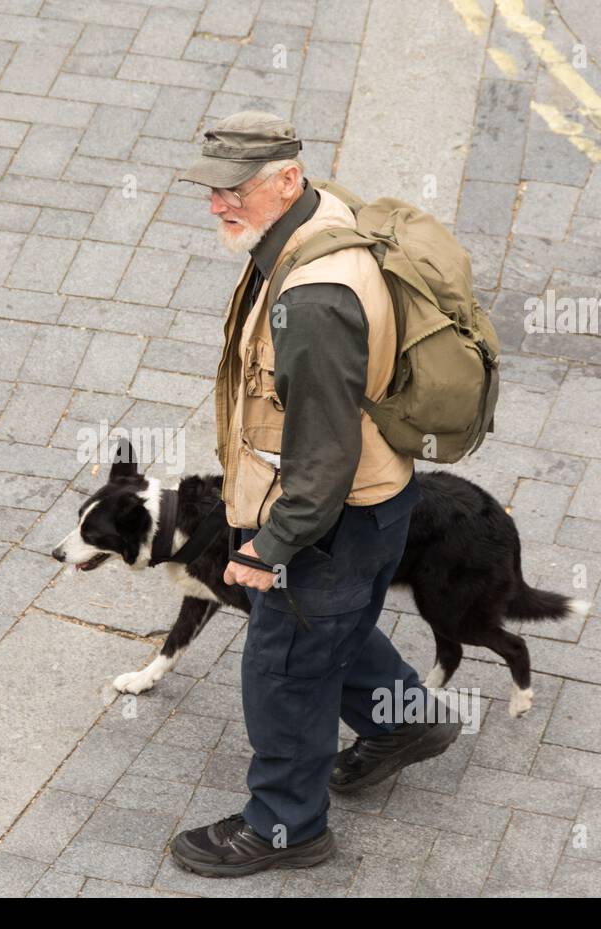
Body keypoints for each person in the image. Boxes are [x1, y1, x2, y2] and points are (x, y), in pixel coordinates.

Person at [169, 112, 460, 878]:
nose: (217, 205)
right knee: (328, 628)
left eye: (233, 190)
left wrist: (272, 545)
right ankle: (404, 720)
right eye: (211, 189)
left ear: (287, 179)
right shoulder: (314, 216)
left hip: (327, 516)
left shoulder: (316, 299)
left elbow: (324, 454)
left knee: (285, 668)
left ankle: (285, 827)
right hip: (364, 505)